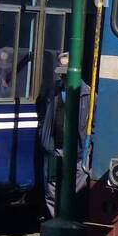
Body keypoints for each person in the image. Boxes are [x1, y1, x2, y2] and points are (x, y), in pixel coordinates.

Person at [39, 52, 91, 219]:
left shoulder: (89, 95)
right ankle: (56, 222)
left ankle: (69, 219)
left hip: (78, 153)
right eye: (60, 72)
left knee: (75, 189)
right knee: (51, 190)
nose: (62, 75)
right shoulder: (52, 92)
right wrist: (44, 136)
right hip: (55, 148)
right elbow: (42, 115)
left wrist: (89, 146)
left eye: (65, 72)